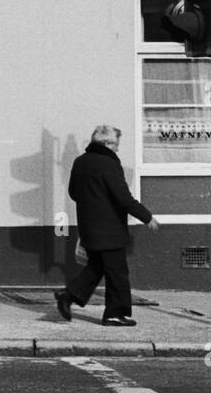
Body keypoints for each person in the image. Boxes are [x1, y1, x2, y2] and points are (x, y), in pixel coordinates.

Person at [55, 125, 159, 326]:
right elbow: (123, 197)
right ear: (107, 143)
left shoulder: (80, 161)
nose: (118, 148)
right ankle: (114, 314)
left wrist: (91, 204)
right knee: (118, 273)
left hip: (88, 226)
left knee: (96, 267)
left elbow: (73, 193)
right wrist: (146, 217)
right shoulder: (109, 164)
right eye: (116, 144)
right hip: (110, 229)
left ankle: (68, 296)